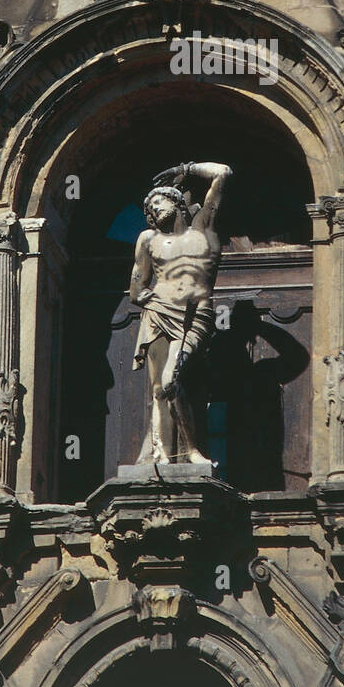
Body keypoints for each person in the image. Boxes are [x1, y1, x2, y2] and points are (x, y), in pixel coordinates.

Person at [130, 161, 231, 464]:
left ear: (176, 202)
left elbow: (223, 173)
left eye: (157, 202)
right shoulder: (149, 240)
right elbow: (136, 289)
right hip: (159, 314)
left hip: (196, 314)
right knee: (161, 387)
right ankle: (161, 454)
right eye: (147, 209)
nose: (151, 211)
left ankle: (193, 450)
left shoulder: (204, 228)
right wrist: (156, 298)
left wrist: (186, 169)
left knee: (173, 377)